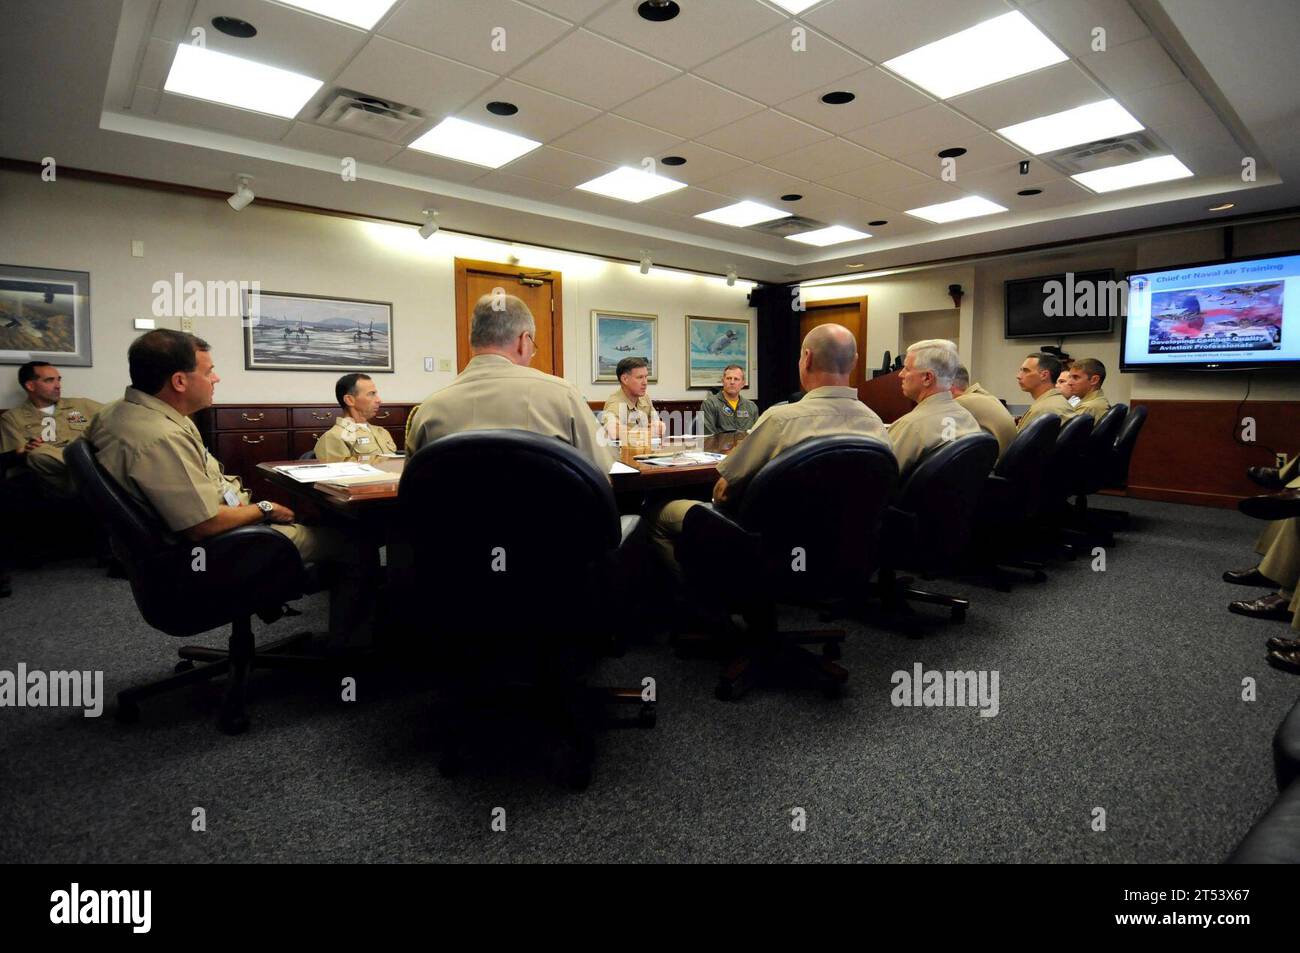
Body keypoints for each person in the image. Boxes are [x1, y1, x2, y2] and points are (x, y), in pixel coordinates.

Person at [84, 330, 373, 650]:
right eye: (209, 372)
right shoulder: (161, 436)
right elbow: (203, 524)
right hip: (212, 552)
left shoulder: (116, 412)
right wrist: (265, 509)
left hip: (173, 554)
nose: (216, 378)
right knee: (356, 543)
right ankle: (351, 655)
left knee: (326, 527)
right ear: (179, 381)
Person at [649, 323, 890, 577]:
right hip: (845, 546)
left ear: (806, 359)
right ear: (854, 362)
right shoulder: (875, 423)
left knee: (657, 514)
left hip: (768, 537)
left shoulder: (780, 420)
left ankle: (696, 603)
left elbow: (723, 492)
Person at [406, 293, 613, 475]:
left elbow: (413, 489)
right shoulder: (563, 395)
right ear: (524, 341)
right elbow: (604, 468)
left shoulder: (428, 410)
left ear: (473, 340)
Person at [0, 362, 103, 496]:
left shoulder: (82, 405)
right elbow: (17, 459)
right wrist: (24, 450)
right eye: (49, 380)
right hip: (52, 473)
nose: (58, 385)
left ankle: (90, 477)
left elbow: (117, 416)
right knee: (37, 453)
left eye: (58, 380)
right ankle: (96, 477)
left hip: (87, 457)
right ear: (30, 386)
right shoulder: (13, 418)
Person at [887, 340, 981, 479]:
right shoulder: (968, 419)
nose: (900, 374)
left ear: (927, 377)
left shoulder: (912, 426)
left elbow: (880, 480)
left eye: (906, 368)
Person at [314, 373, 397, 462]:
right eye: (371, 394)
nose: (379, 400)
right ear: (350, 400)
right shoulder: (333, 437)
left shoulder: (382, 432)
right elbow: (341, 473)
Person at [951, 365, 1017, 458]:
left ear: (949, 385)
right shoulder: (985, 396)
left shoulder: (961, 402)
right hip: (1007, 462)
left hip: (996, 467)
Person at [603, 356, 664, 440]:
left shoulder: (645, 398)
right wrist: (646, 432)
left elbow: (657, 425)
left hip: (645, 450)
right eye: (640, 377)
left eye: (646, 377)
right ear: (625, 379)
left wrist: (659, 426)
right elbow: (613, 431)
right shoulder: (615, 403)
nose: (645, 382)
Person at [1015, 352, 1074, 431]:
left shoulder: (1043, 410)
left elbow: (1018, 443)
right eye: (1021, 370)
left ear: (1044, 375)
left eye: (1026, 371)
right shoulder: (1057, 401)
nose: (1018, 376)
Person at [699, 364, 759, 435]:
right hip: (718, 446)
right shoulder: (709, 404)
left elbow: (756, 434)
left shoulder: (751, 407)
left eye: (736, 379)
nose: (732, 382)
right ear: (723, 381)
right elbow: (708, 436)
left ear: (743, 384)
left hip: (746, 445)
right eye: (729, 378)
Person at [1065, 358, 1111, 423]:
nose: (1069, 383)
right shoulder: (1100, 400)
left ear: (1094, 380)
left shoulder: (1088, 407)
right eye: (1070, 377)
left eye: (1076, 377)